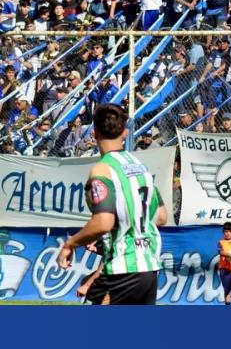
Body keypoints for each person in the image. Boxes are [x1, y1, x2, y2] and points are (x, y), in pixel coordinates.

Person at [57, 103, 168, 305]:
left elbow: (103, 222)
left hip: (122, 267)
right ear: (125, 132)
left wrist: (70, 243)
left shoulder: (103, 170)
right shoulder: (140, 167)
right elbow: (161, 216)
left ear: (94, 132)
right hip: (149, 265)